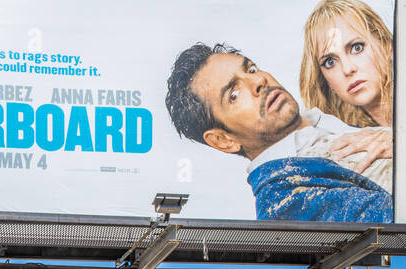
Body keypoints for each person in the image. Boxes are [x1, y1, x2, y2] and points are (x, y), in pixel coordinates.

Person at [165, 43, 391, 222]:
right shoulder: (286, 203)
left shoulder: (343, 120)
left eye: (251, 69)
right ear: (224, 140)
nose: (258, 81)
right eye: (233, 94)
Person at [300, 0, 395, 178]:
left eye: (356, 48)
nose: (347, 69)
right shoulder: (351, 147)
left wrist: (404, 141)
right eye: (330, 62)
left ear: (387, 45)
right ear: (327, 82)